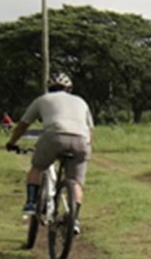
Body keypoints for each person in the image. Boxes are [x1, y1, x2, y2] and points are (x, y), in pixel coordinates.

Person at [5, 73, 94, 234]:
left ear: (49, 88)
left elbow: (23, 125)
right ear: (69, 88)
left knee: (37, 168)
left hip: (54, 137)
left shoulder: (42, 99)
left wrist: (12, 142)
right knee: (75, 182)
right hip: (81, 140)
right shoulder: (81, 101)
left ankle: (31, 202)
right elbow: (89, 130)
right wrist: (88, 148)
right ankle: (73, 218)